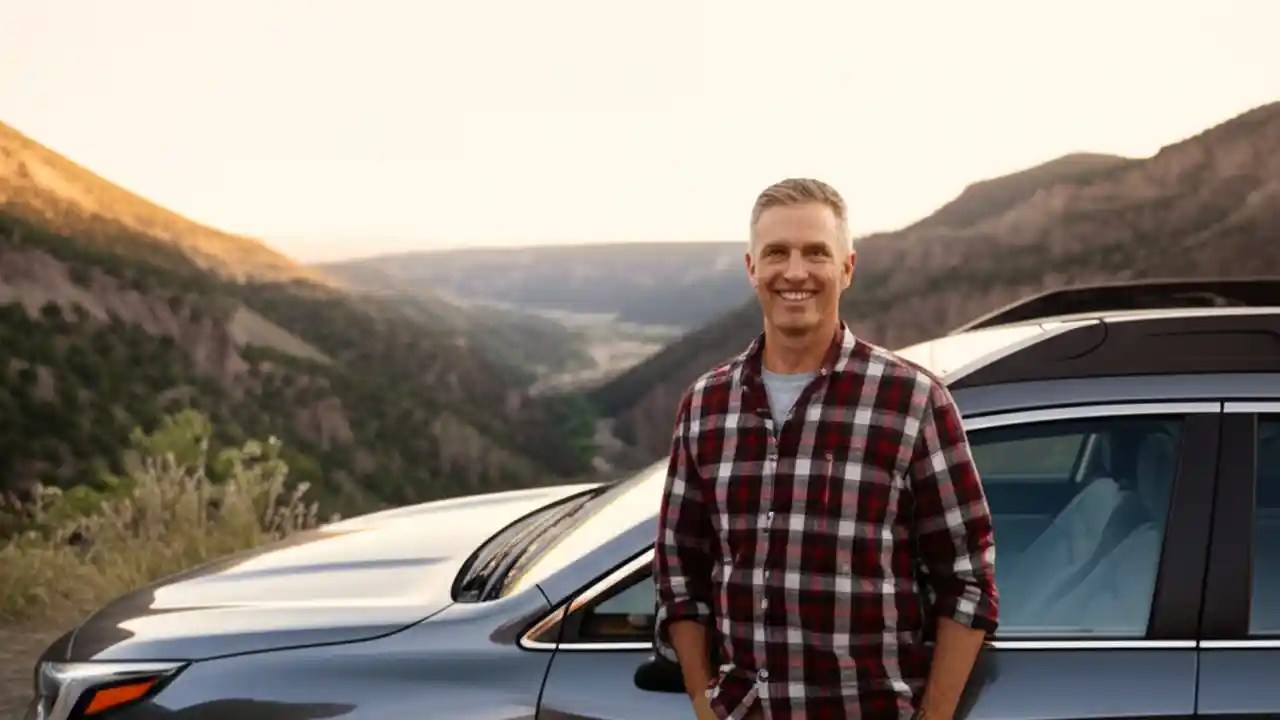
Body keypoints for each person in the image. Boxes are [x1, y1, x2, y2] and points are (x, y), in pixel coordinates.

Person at [652, 178, 998, 720]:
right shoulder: (705, 406)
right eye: (777, 253)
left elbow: (967, 578)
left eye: (816, 252)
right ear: (752, 268)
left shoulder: (912, 401)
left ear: (847, 268)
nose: (795, 272)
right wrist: (702, 700)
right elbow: (679, 572)